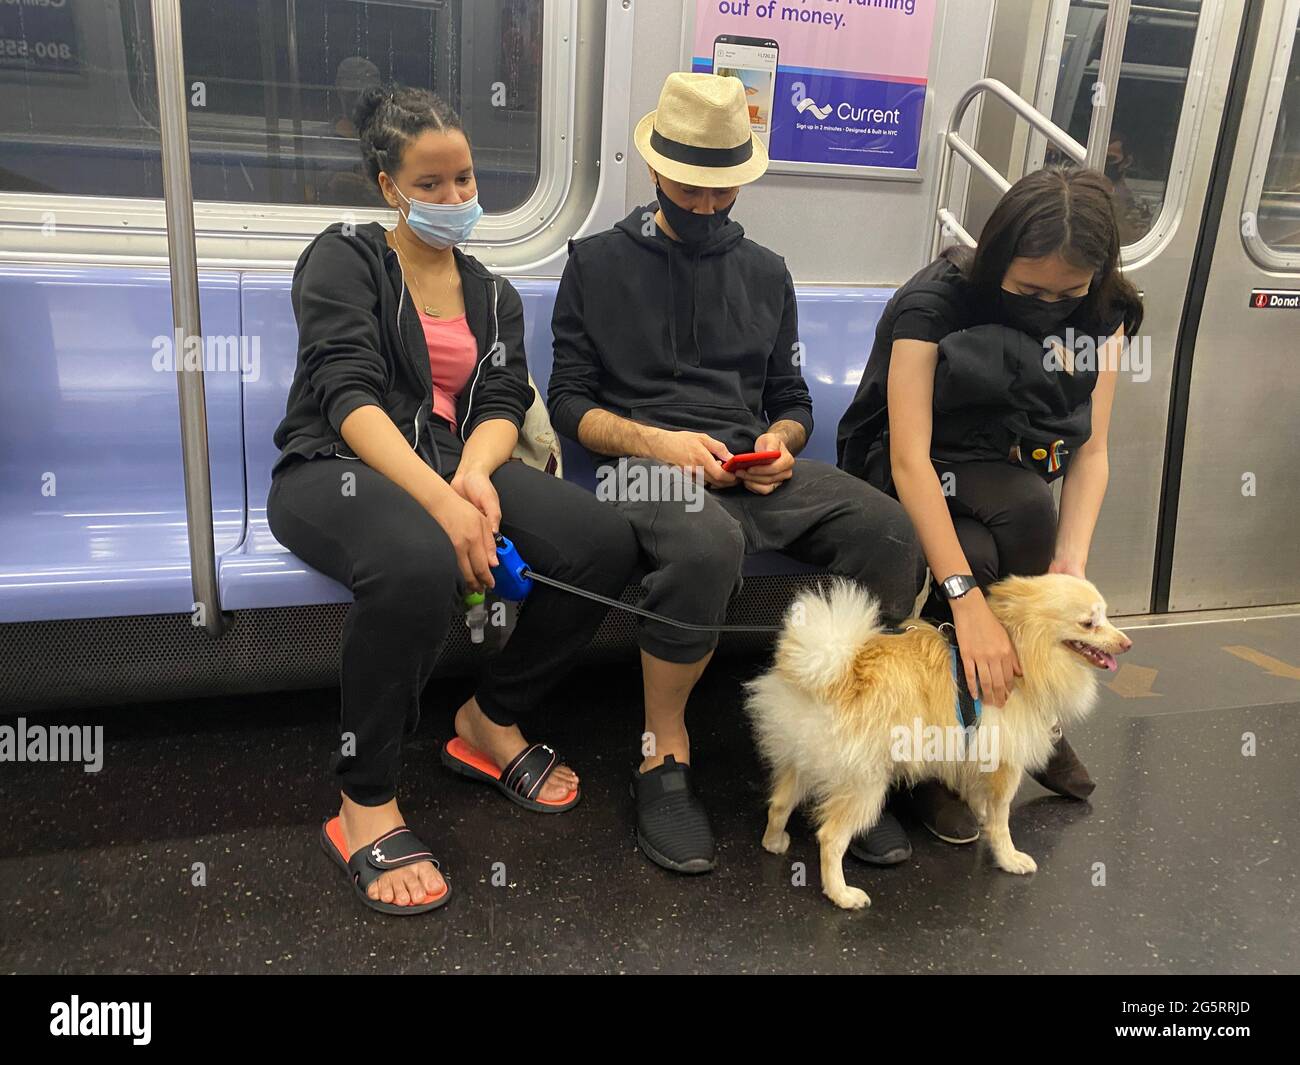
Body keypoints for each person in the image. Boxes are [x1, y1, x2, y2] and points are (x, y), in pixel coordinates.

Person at [267, 85, 639, 914]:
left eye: (465, 179)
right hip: (339, 465)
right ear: (386, 184)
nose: (454, 199)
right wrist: (442, 504)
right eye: (430, 184)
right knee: (413, 562)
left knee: (603, 542)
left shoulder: (491, 290)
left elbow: (503, 400)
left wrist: (473, 474)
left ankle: (490, 717)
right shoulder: (345, 258)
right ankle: (364, 796)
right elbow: (347, 395)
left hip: (450, 461)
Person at [547, 72, 926, 876]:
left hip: (751, 467)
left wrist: (782, 441)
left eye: (724, 191)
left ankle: (838, 746)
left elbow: (790, 402)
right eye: (692, 189)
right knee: (706, 544)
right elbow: (571, 403)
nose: (709, 207)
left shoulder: (766, 272)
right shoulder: (596, 265)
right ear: (656, 172)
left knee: (890, 528)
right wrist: (658, 442)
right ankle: (664, 752)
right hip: (635, 470)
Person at [837, 165, 1144, 858]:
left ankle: (1021, 718)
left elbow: (1091, 449)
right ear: (998, 256)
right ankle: (938, 748)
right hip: (905, 461)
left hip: (1002, 463)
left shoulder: (1104, 312)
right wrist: (968, 605)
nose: (1049, 306)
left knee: (1020, 521)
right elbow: (912, 459)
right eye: (1030, 290)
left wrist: (1070, 570)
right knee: (978, 550)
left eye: (1067, 293)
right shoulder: (934, 302)